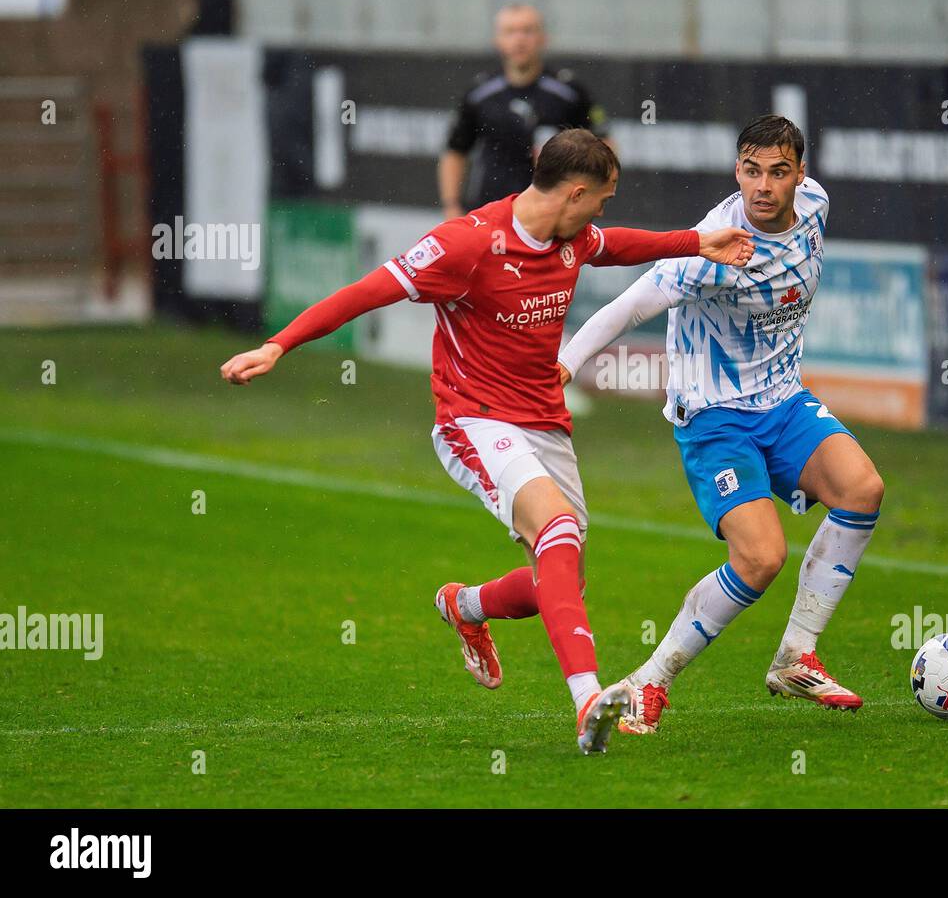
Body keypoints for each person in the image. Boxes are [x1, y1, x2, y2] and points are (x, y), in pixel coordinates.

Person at [220, 129, 753, 753]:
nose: (602, 213)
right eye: (601, 200)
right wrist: (277, 344)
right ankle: (587, 699)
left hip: (544, 420)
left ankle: (466, 606)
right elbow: (366, 293)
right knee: (555, 529)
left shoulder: (571, 236)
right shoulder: (466, 244)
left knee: (562, 578)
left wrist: (700, 242)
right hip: (474, 419)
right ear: (574, 192)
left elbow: (621, 245)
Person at [556, 115, 885, 735]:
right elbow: (629, 305)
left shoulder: (815, 208)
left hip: (784, 402)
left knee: (863, 489)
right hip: (715, 417)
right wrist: (566, 364)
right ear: (737, 171)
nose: (764, 186)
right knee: (761, 557)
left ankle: (795, 658)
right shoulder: (709, 246)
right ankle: (651, 681)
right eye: (752, 171)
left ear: (800, 176)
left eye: (778, 172)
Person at [439, 3, 609, 218]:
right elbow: (455, 151)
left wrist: (590, 197)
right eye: (510, 32)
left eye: (527, 31)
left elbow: (604, 145)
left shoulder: (569, 92)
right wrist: (451, 206)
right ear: (497, 40)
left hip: (554, 215)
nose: (519, 39)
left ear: (543, 38)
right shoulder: (479, 93)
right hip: (491, 213)